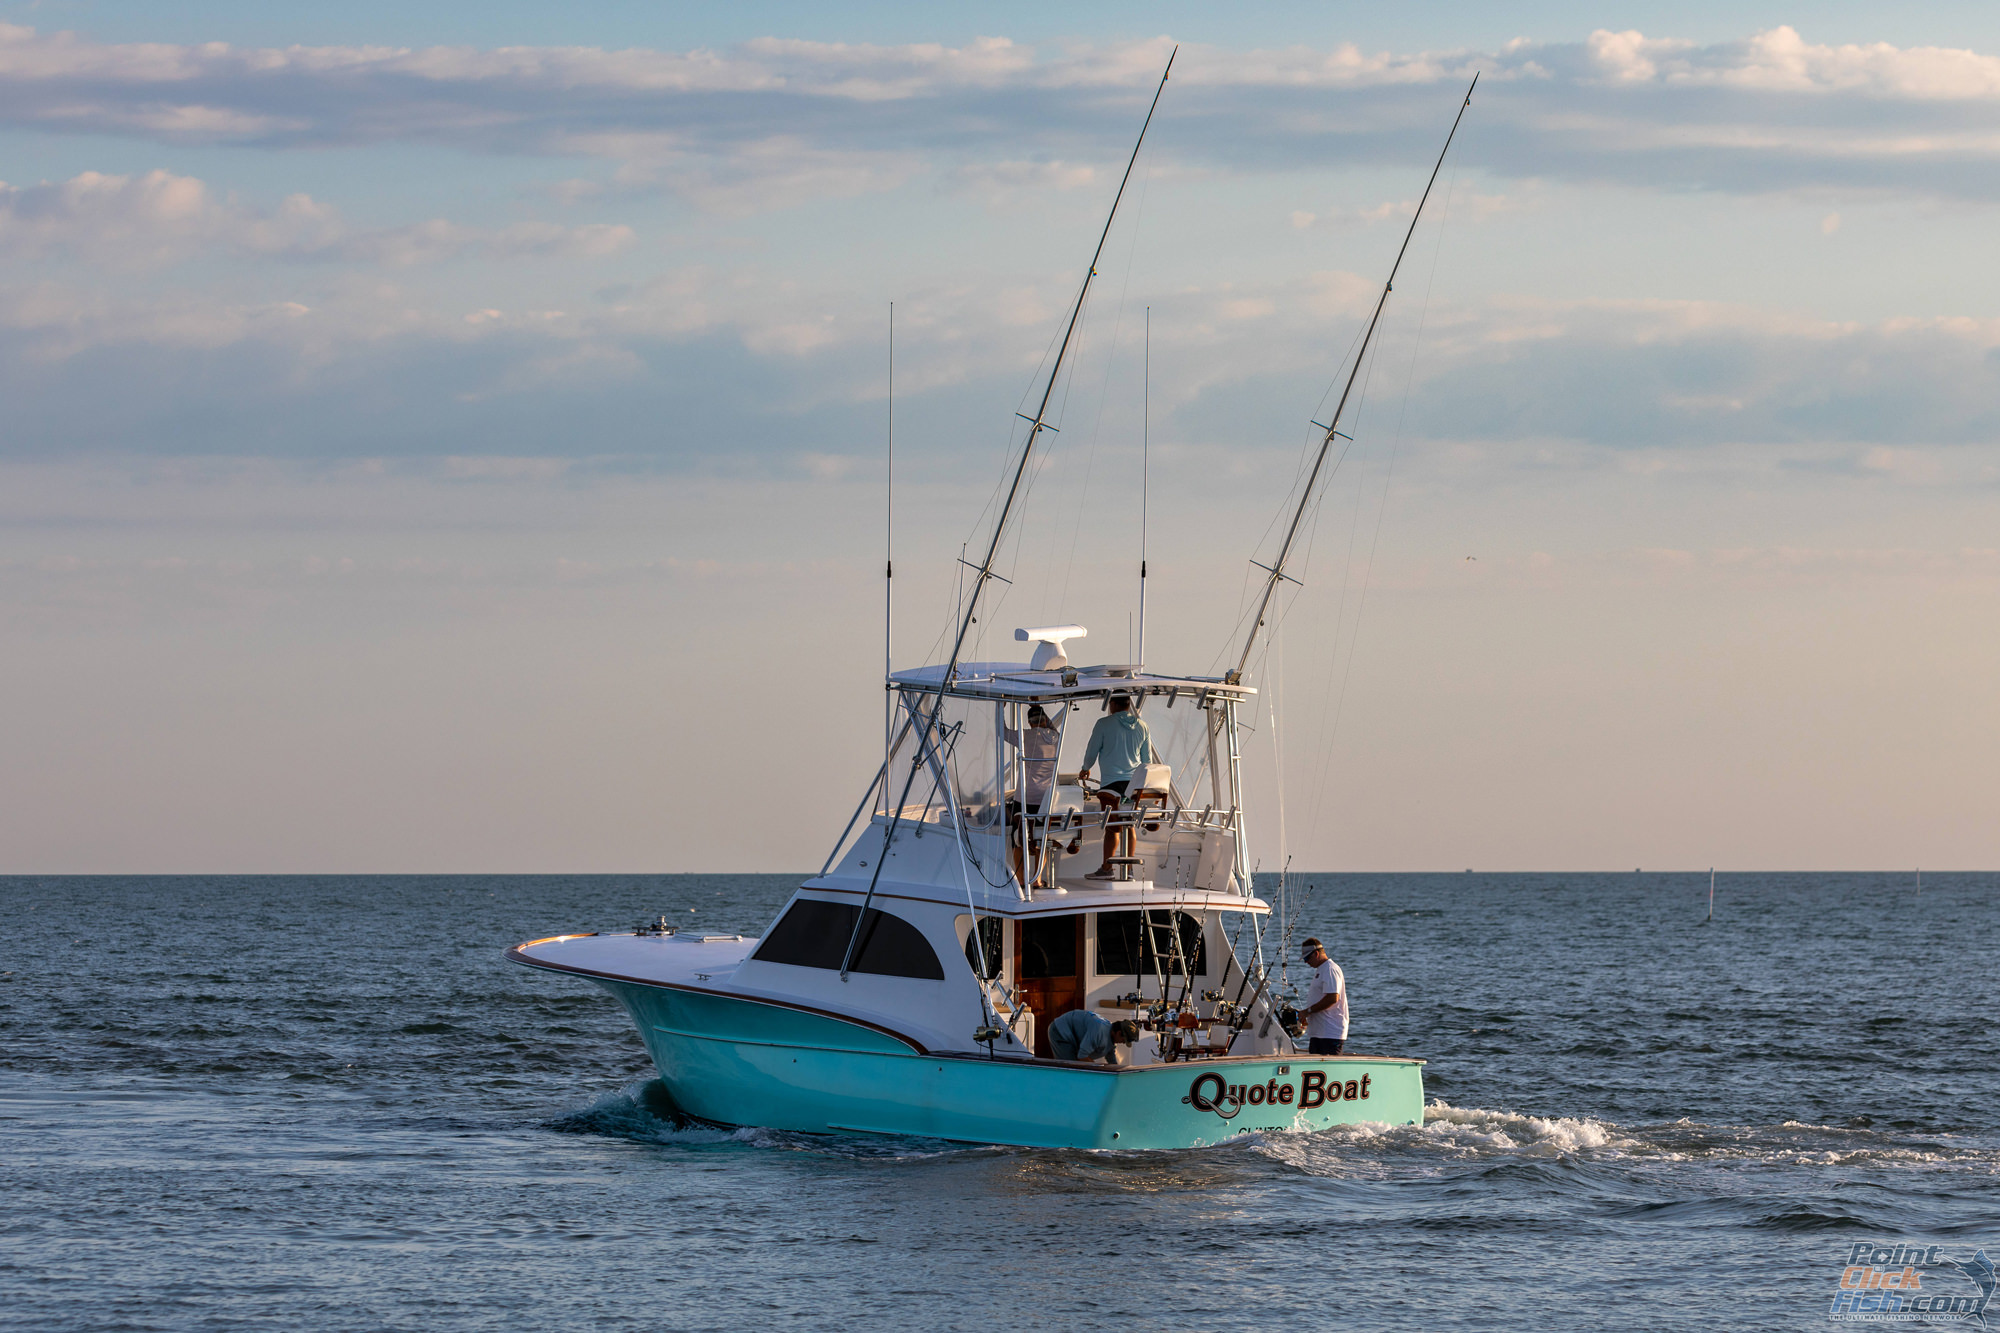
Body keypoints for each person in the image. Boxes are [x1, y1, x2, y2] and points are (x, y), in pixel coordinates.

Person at [1077, 694, 1153, 880]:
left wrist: (1085, 769)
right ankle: (1129, 870)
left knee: (1112, 827)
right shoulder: (1143, 726)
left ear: (1112, 704)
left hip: (1111, 785)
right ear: (1128, 705)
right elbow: (1147, 761)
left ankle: (1107, 869)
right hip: (1134, 785)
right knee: (1129, 824)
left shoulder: (1103, 724)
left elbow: (1092, 751)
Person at [1002, 704, 1061, 886]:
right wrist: (1036, 706)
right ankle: (1038, 880)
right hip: (1047, 798)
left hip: (1026, 797)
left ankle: (1021, 880)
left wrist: (1000, 708)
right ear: (1045, 720)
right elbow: (1050, 726)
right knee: (1042, 838)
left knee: (1017, 839)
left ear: (1029, 722)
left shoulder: (1026, 736)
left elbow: (1002, 732)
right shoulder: (1056, 736)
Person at [1297, 937, 1348, 1055]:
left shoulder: (1330, 969)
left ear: (1316, 954)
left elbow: (1332, 998)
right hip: (1319, 1033)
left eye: (1307, 958)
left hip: (1330, 1034)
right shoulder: (1322, 969)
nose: (1306, 962)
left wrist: (1308, 1011)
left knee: (1329, 1066)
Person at [1047, 1008, 1141, 1063]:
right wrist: (1098, 1069)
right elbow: (1082, 1056)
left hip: (1073, 1035)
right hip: (1060, 1030)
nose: (1123, 1043)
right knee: (1069, 1068)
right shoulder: (1099, 1031)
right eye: (1124, 1040)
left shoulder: (1111, 1037)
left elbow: (1111, 1059)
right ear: (1118, 1033)